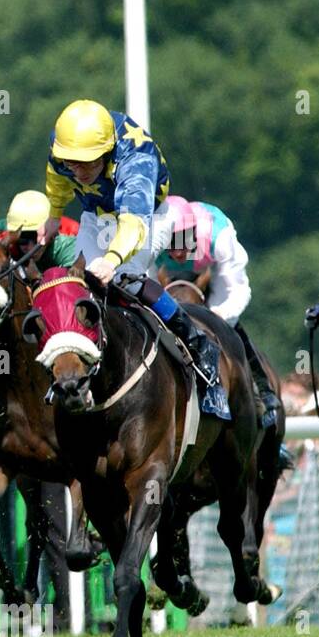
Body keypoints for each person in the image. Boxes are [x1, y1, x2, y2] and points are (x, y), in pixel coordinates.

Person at [43, 99, 229, 419]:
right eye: (71, 162)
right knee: (76, 283)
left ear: (106, 152)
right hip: (96, 214)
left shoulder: (136, 161)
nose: (77, 169)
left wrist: (112, 259)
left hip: (149, 216)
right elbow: (57, 179)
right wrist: (53, 215)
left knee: (124, 280)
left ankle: (201, 350)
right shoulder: (66, 148)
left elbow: (133, 224)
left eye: (85, 163)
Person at [152, 195, 281, 427]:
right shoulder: (154, 242)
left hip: (212, 265)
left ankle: (264, 391)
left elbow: (238, 291)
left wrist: (218, 317)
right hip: (170, 278)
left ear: (193, 232)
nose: (178, 253)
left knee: (222, 324)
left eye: (182, 242)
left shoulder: (219, 238)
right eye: (170, 244)